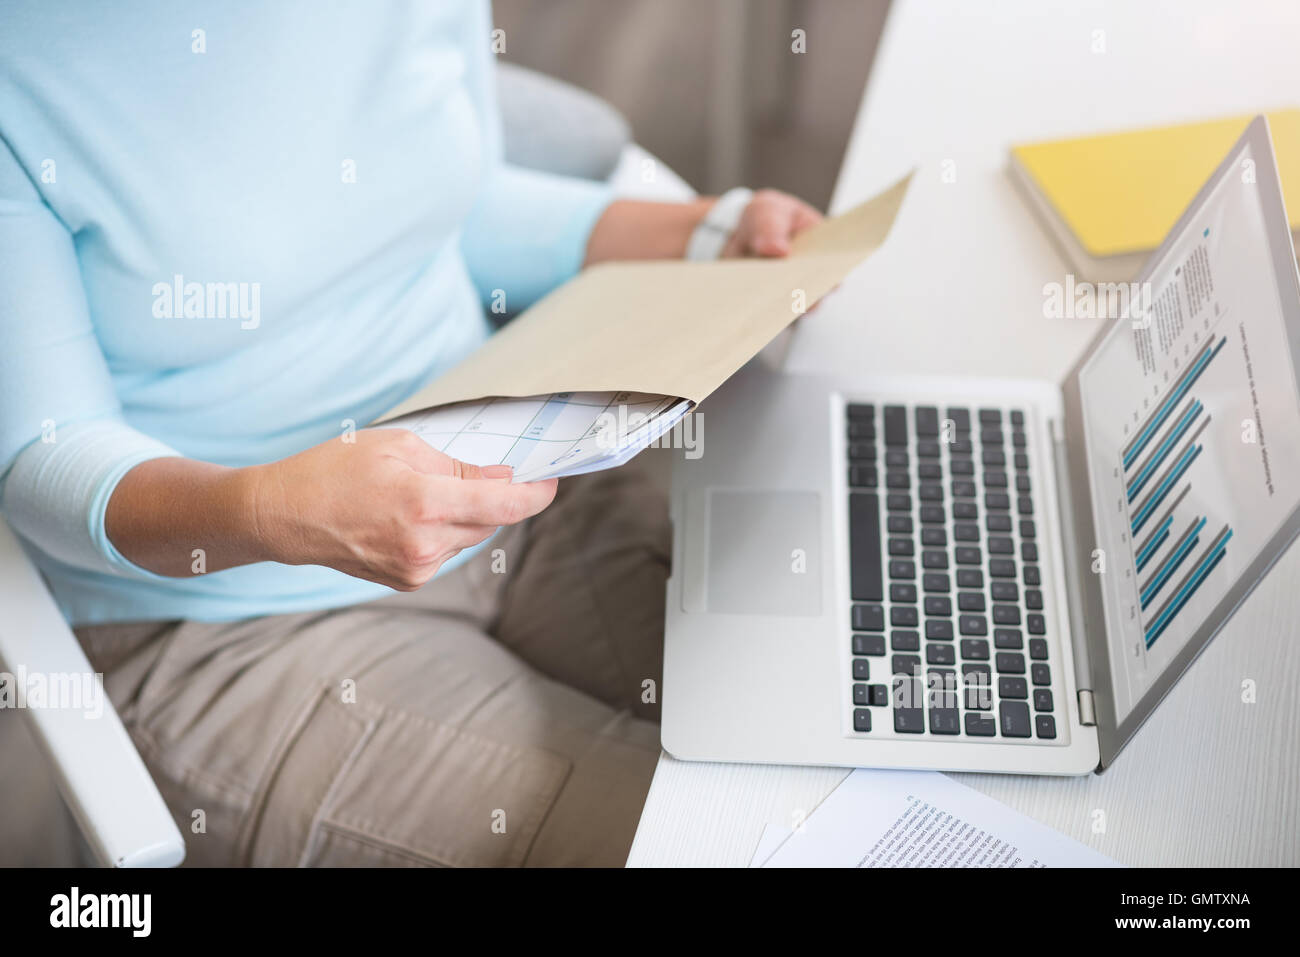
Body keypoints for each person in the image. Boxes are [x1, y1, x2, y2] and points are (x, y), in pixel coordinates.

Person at [0, 1, 821, 866]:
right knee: (738, 840)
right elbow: (43, 451)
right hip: (237, 627)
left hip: (515, 488)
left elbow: (446, 205)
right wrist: (273, 507)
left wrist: (703, 232)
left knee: (833, 723)